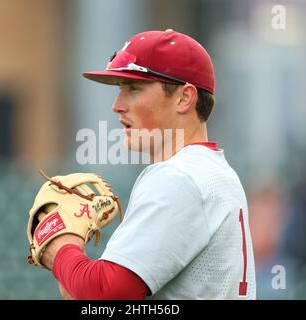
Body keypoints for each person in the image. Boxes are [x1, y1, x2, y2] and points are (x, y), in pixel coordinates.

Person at [37, 29, 256, 299]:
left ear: (184, 98)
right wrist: (75, 282)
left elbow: (105, 292)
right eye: (120, 90)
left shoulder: (179, 177)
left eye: (133, 89)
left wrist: (61, 248)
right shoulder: (216, 171)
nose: (117, 105)